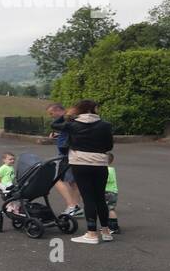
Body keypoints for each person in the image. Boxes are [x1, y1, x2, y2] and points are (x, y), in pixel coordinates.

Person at [63, 100, 115, 244]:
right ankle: (105, 231)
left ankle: (91, 233)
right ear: (94, 109)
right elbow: (109, 145)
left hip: (80, 163)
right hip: (100, 163)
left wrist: (68, 115)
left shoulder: (73, 125)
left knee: (88, 198)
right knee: (100, 198)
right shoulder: (105, 125)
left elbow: (55, 126)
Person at [46, 103, 84, 216]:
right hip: (73, 153)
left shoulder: (67, 119)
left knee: (57, 179)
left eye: (51, 113)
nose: (51, 116)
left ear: (58, 110)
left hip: (67, 154)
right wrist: (58, 136)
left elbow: (66, 130)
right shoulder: (71, 120)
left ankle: (72, 206)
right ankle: (77, 207)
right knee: (73, 182)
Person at [105, 154, 120, 233]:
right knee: (108, 209)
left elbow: (106, 180)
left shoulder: (107, 170)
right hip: (112, 191)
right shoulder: (111, 169)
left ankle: (113, 227)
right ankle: (109, 226)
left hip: (108, 191)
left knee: (110, 209)